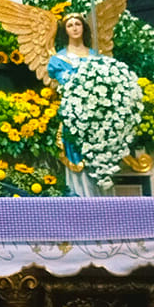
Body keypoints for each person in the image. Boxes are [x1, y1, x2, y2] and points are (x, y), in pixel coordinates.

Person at [45, 10, 98, 197]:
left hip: (95, 115)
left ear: (84, 28)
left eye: (78, 24)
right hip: (73, 113)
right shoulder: (59, 60)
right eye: (70, 25)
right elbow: (65, 82)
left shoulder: (95, 56)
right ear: (64, 31)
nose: (74, 28)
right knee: (75, 151)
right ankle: (79, 195)